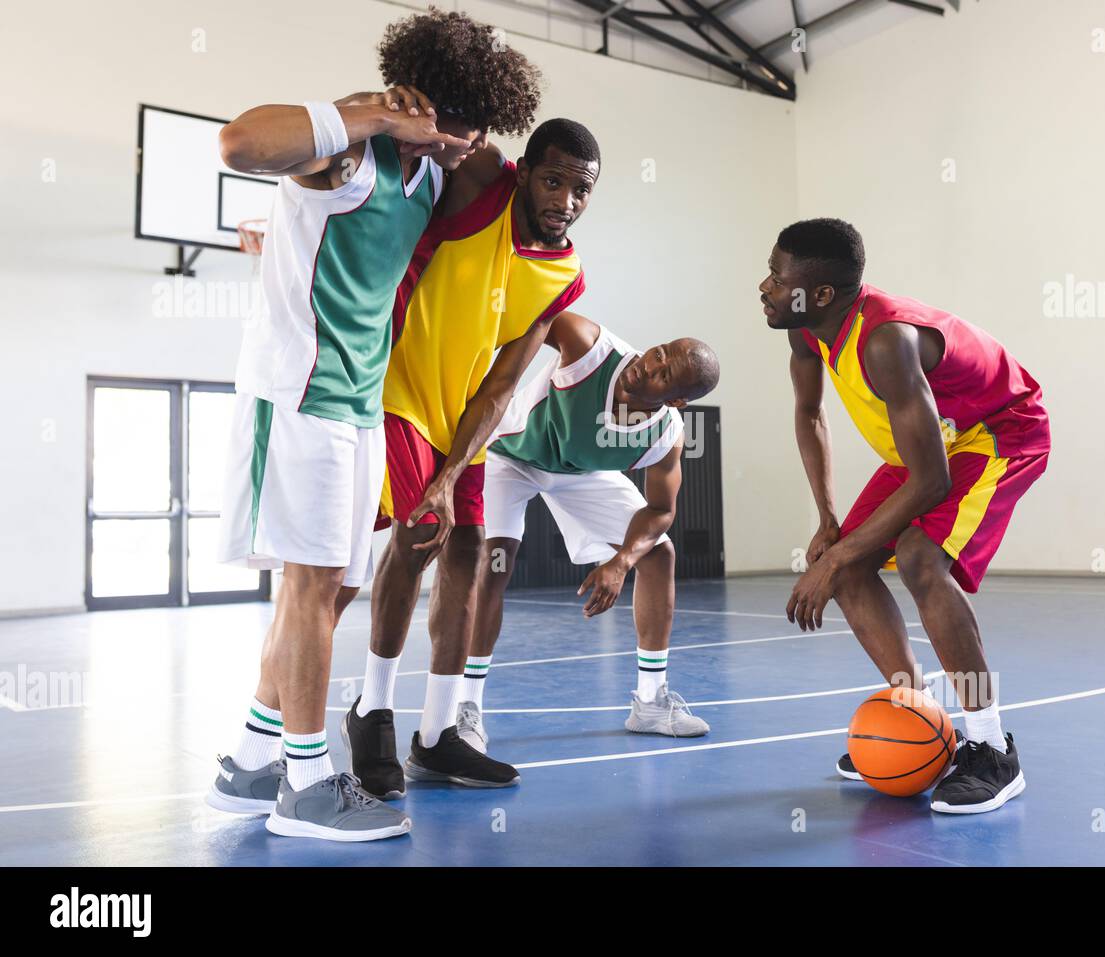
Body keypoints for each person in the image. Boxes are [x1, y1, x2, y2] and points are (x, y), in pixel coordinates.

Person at [206, 8, 542, 841]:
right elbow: (239, 143)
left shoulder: (437, 166)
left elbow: (506, 167)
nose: (472, 144)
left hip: (358, 403)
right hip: (300, 397)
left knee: (324, 586)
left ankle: (252, 760)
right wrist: (372, 113)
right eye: (460, 125)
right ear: (418, 102)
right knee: (311, 585)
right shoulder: (353, 150)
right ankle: (306, 783)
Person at [340, 119, 600, 794]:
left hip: (462, 417)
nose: (565, 201)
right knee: (415, 539)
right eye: (553, 180)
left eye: (581, 190)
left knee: (472, 551)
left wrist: (454, 469)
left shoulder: (564, 273)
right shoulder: (484, 178)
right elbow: (438, 123)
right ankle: (371, 711)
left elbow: (504, 382)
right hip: (395, 389)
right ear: (525, 170)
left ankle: (437, 731)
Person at [762, 218, 1050, 815]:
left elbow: (932, 482)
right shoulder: (806, 331)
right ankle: (921, 721)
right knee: (840, 560)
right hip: (925, 446)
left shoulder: (885, 341)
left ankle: (992, 747)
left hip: (998, 432)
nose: (763, 286)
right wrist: (829, 523)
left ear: (818, 294)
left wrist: (840, 552)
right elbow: (811, 416)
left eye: (776, 276)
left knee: (920, 560)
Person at [451, 310, 721, 752]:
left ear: (675, 402)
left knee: (659, 554)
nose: (649, 364)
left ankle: (651, 703)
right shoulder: (591, 350)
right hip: (508, 455)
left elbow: (659, 510)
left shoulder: (665, 434)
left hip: (578, 472)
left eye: (664, 373)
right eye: (660, 352)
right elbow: (535, 312)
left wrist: (621, 561)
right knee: (494, 562)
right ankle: (464, 709)